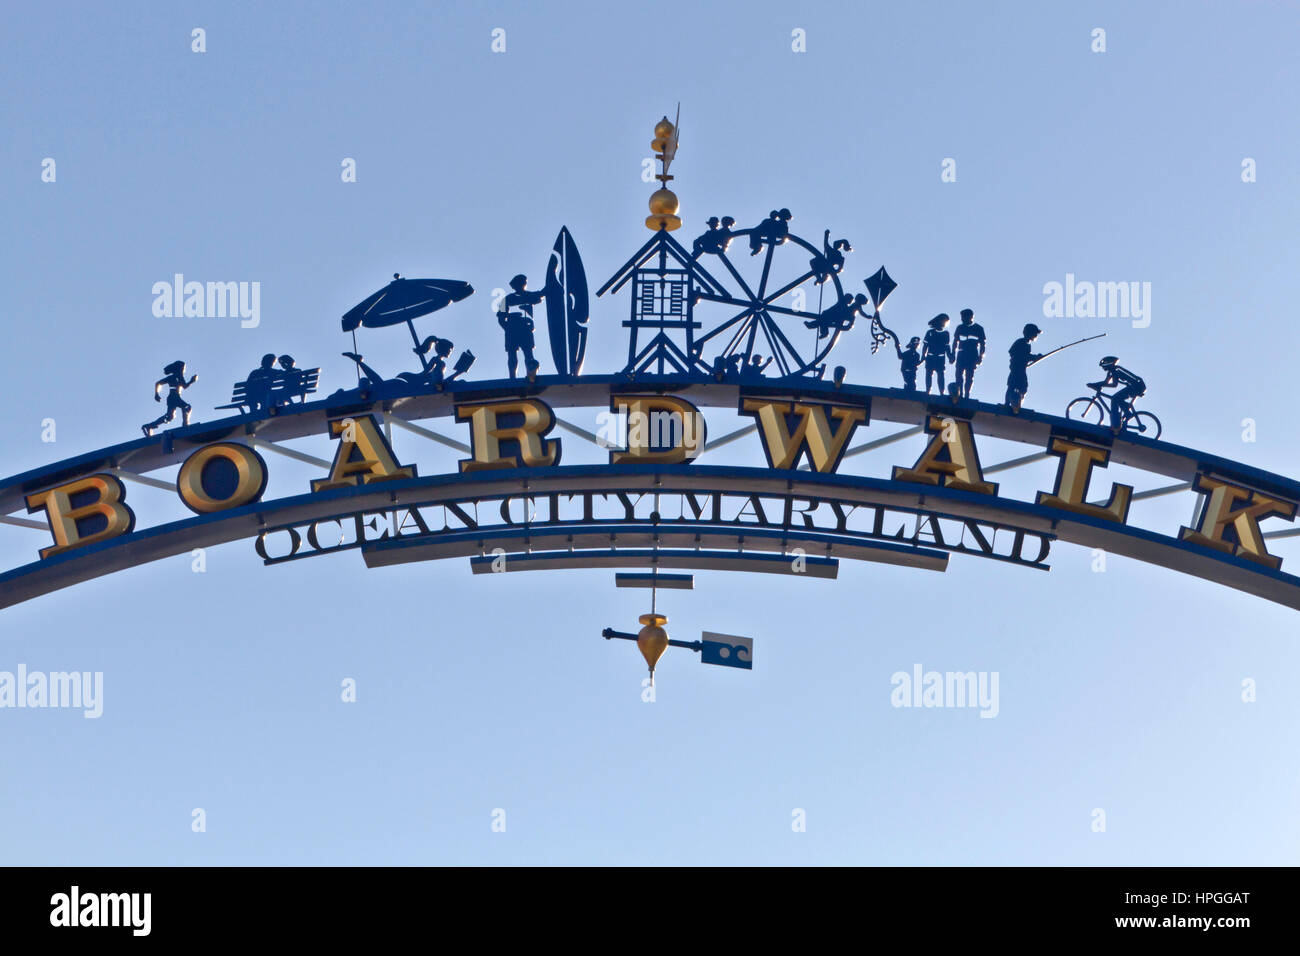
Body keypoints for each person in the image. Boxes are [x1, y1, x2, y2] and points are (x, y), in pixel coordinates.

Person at [499, 274, 543, 379]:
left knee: (528, 353)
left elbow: (541, 294)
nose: (524, 285)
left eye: (524, 283)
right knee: (512, 355)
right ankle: (512, 377)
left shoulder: (529, 296)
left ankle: (531, 374)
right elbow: (501, 318)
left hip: (525, 328)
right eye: (522, 283)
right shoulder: (508, 299)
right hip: (512, 328)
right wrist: (508, 328)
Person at [1089, 356, 1147, 431]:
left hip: (1137, 386)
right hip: (1136, 386)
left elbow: (1114, 385)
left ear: (1108, 364)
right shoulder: (1113, 370)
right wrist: (1095, 384)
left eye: (1103, 366)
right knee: (1116, 399)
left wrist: (1096, 385)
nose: (1103, 368)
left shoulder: (1115, 370)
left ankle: (1118, 422)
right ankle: (1119, 420)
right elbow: (1106, 382)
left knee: (1115, 399)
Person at [143, 360, 197, 436]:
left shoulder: (176, 377)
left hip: (173, 397)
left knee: (169, 416)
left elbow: (158, 383)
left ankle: (150, 426)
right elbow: (184, 386)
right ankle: (185, 425)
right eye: (183, 368)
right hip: (174, 397)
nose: (183, 370)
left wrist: (157, 394)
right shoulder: (177, 377)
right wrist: (192, 381)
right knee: (186, 407)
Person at [1004, 323, 1042, 412]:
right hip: (1017, 369)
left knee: (1021, 387)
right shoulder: (1022, 342)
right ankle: (1007, 404)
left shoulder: (1027, 344)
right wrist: (1032, 357)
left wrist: (1033, 357)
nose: (1036, 335)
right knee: (1014, 386)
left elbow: (1025, 356)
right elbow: (1013, 352)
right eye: (1035, 333)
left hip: (1021, 368)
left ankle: (1017, 404)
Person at [951, 308, 986, 398]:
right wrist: (953, 354)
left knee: (969, 377)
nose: (962, 319)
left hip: (972, 355)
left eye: (963, 317)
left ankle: (967, 394)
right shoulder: (960, 327)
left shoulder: (978, 328)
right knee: (958, 375)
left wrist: (980, 356)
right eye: (961, 317)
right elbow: (955, 342)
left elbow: (982, 344)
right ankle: (959, 394)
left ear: (970, 317)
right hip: (961, 354)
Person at [921, 314, 952, 394]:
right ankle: (928, 390)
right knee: (929, 374)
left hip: (940, 358)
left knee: (941, 375)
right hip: (930, 356)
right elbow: (925, 345)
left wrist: (950, 356)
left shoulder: (946, 333)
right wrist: (923, 356)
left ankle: (941, 392)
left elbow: (947, 346)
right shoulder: (930, 332)